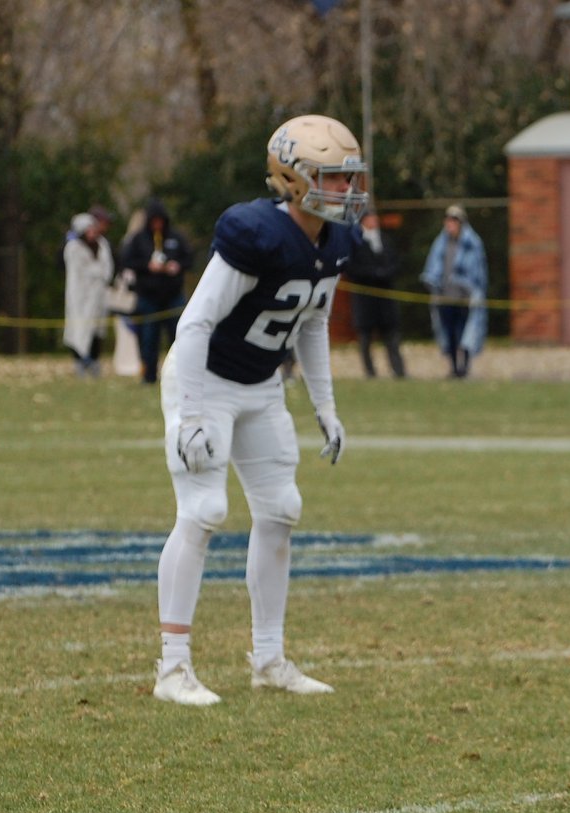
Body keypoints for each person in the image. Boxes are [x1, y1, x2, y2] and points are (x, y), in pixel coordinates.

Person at [150, 114, 365, 707]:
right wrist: (191, 414)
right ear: (293, 178)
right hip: (205, 381)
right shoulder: (256, 233)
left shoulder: (336, 242)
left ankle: (268, 659)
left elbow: (314, 322)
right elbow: (193, 323)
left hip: (261, 385)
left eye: (350, 179)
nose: (347, 191)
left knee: (282, 508)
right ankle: (172, 668)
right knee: (203, 510)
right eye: (333, 178)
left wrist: (326, 406)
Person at [119, 198, 195, 384]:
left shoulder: (176, 238)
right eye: (154, 221)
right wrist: (147, 266)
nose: (157, 224)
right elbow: (126, 261)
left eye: (160, 220)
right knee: (148, 338)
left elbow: (189, 259)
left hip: (173, 297)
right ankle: (149, 376)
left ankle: (179, 375)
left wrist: (177, 266)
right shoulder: (138, 239)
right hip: (148, 297)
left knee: (178, 336)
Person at [422, 206, 486, 379]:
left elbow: (477, 272)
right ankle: (453, 368)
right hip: (444, 298)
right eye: (448, 220)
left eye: (454, 220)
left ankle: (464, 367)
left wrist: (469, 288)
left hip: (464, 299)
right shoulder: (440, 243)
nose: (450, 224)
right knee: (448, 333)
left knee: (464, 334)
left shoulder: (472, 243)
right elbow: (433, 268)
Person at [345, 204, 406, 379]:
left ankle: (398, 371)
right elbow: (351, 268)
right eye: (370, 218)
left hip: (385, 296)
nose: (374, 221)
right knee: (365, 336)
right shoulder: (356, 242)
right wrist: (371, 274)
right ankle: (370, 372)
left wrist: (385, 273)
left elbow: (396, 262)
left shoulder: (385, 240)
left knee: (392, 336)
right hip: (365, 298)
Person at [62, 210, 114, 377]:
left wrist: (100, 274)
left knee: (96, 330)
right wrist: (97, 272)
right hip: (79, 296)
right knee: (78, 329)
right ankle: (80, 362)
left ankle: (94, 362)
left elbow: (107, 269)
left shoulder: (102, 244)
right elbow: (83, 271)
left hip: (98, 296)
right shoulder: (73, 248)